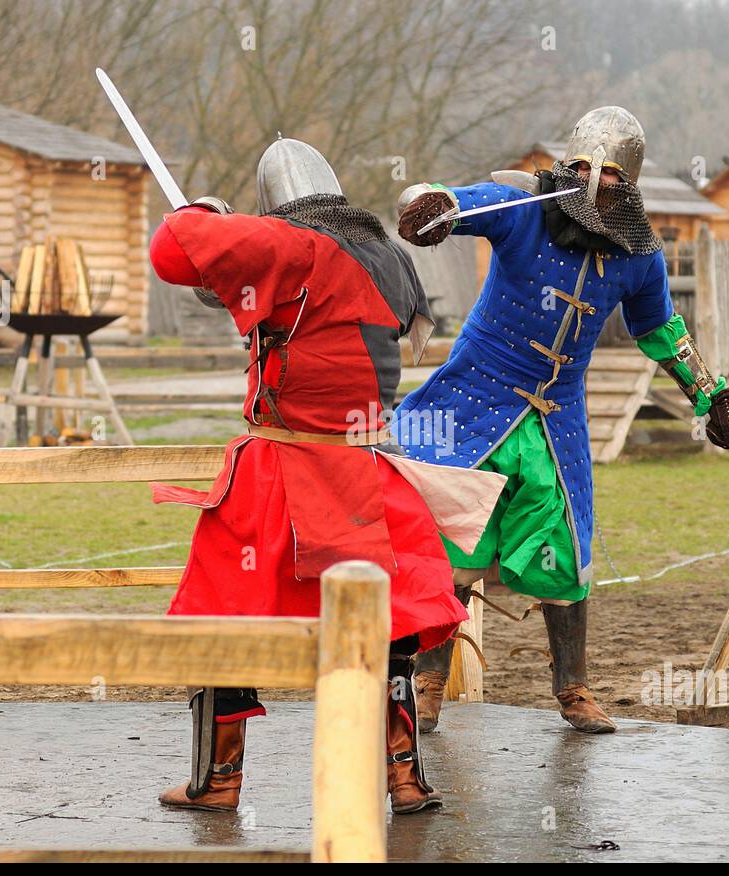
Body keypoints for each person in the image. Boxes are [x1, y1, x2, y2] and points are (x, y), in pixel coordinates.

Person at [147, 138, 504, 815]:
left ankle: (218, 780)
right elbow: (319, 318)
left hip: (280, 468)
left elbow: (172, 250)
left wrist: (205, 212)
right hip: (367, 465)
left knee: (225, 614)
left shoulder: (288, 245)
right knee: (391, 622)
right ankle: (403, 776)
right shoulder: (386, 256)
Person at [393, 106, 729, 735]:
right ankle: (426, 684)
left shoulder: (639, 255)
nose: (589, 182)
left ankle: (573, 688)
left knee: (563, 546)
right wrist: (433, 206)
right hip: (477, 395)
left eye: (607, 174)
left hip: (556, 415)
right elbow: (464, 203)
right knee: (455, 542)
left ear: (628, 184)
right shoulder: (525, 208)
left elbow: (660, 327)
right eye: (581, 167)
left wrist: (709, 390)